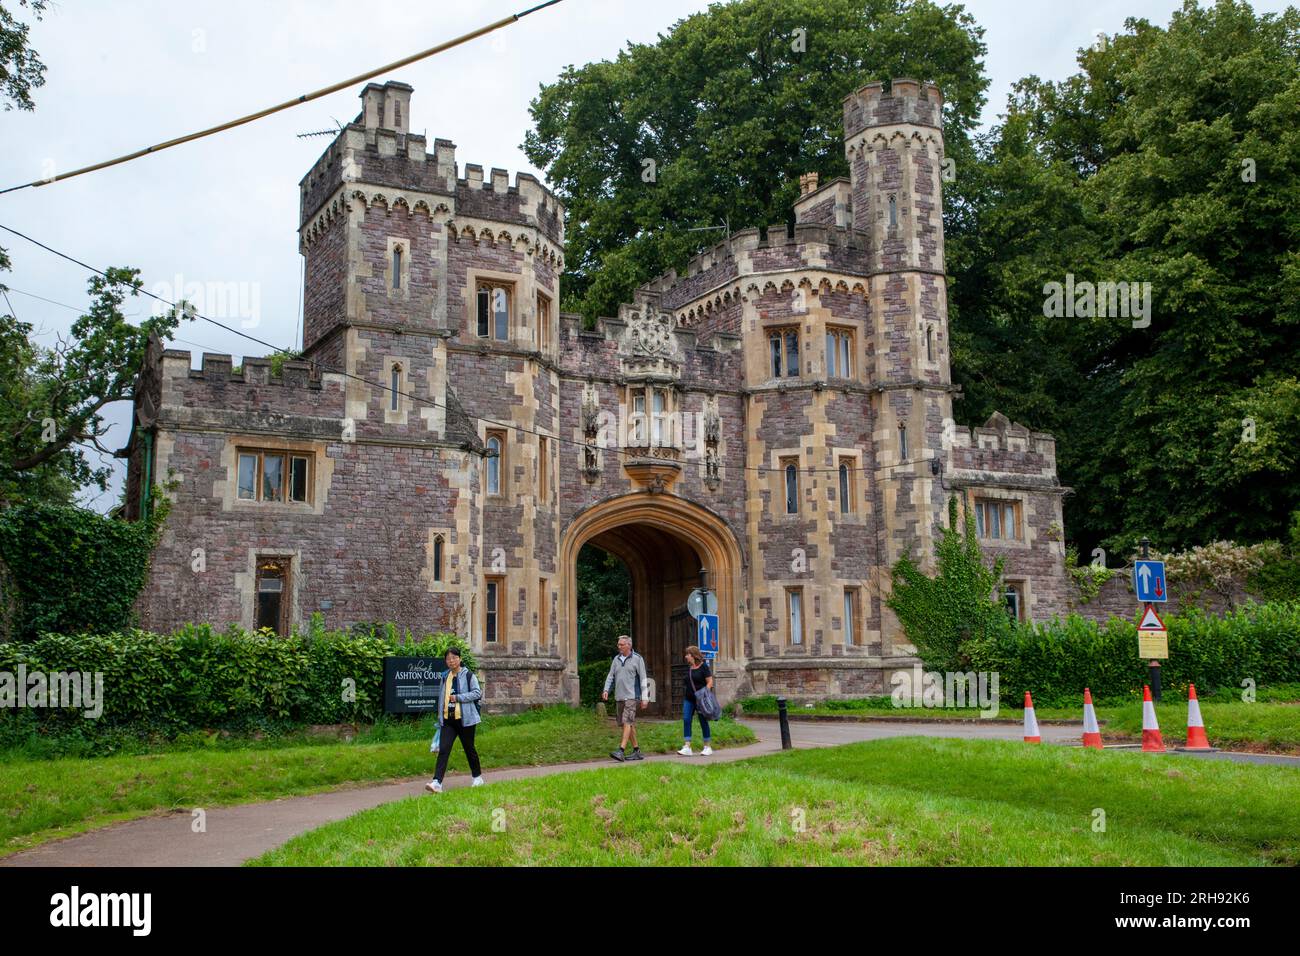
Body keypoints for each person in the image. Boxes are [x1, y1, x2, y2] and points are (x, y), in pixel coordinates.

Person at [425, 646, 484, 793]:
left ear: (460, 659)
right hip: (448, 720)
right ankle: (437, 782)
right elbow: (442, 699)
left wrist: (458, 698)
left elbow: (477, 693)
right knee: (443, 750)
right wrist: (440, 718)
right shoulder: (445, 676)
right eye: (448, 658)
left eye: (454, 658)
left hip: (466, 720)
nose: (451, 661)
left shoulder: (469, 675)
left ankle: (477, 778)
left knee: (469, 749)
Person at [601, 634, 649, 762]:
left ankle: (621, 750)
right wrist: (606, 690)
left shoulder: (638, 659)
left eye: (621, 644)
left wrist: (645, 697)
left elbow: (644, 678)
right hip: (619, 696)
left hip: (632, 697)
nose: (619, 646)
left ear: (629, 645)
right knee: (627, 724)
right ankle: (636, 751)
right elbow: (611, 676)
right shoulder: (616, 659)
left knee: (627, 721)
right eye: (618, 644)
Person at [678, 645, 714, 756]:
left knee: (703, 721)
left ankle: (707, 746)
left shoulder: (703, 667)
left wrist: (704, 693)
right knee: (686, 719)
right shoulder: (688, 668)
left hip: (701, 700)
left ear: (693, 655)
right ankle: (687, 747)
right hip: (689, 699)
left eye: (687, 654)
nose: (685, 657)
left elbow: (710, 682)